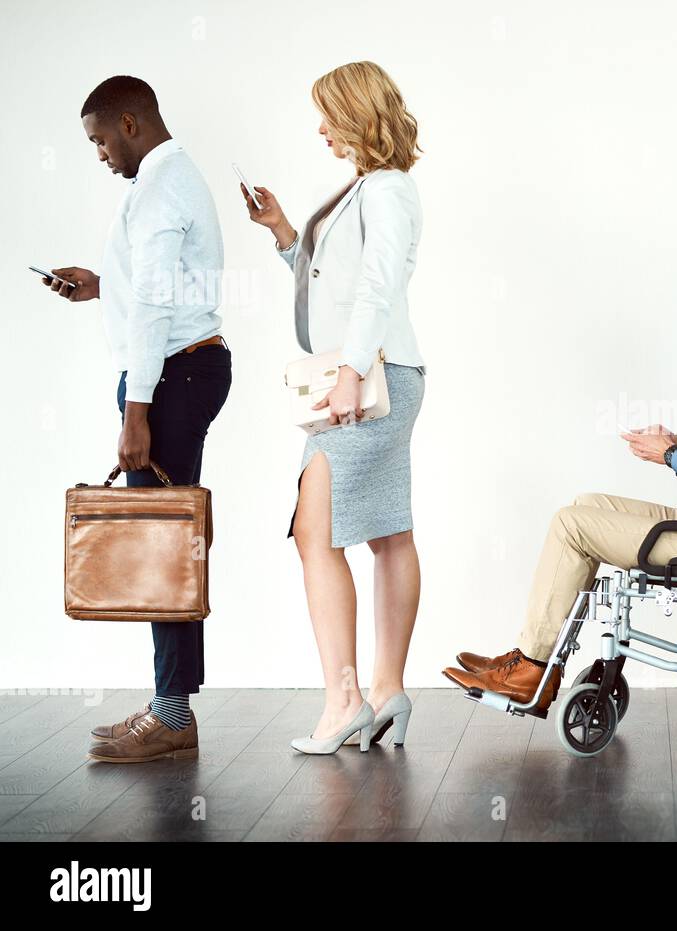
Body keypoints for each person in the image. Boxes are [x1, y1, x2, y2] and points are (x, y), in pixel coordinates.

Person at [443, 273, 677, 716]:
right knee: (587, 504)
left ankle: (531, 665)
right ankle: (535, 661)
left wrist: (671, 457)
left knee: (571, 526)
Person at [41, 75, 232, 763]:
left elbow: (155, 309)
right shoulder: (172, 180)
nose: (98, 154)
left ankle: (172, 714)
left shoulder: (157, 187)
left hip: (170, 377)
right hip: (183, 368)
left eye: (98, 140)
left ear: (130, 122)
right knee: (169, 544)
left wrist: (135, 411)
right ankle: (169, 705)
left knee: (161, 548)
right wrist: (100, 286)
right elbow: (158, 289)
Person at [242, 61, 425, 753]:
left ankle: (345, 697)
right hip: (379, 375)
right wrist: (286, 230)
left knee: (318, 533)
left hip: (370, 380)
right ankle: (386, 691)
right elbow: (337, 282)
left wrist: (348, 371)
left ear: (357, 112)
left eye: (327, 114)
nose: (319, 127)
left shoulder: (386, 191)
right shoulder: (366, 189)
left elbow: (376, 287)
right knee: (386, 534)